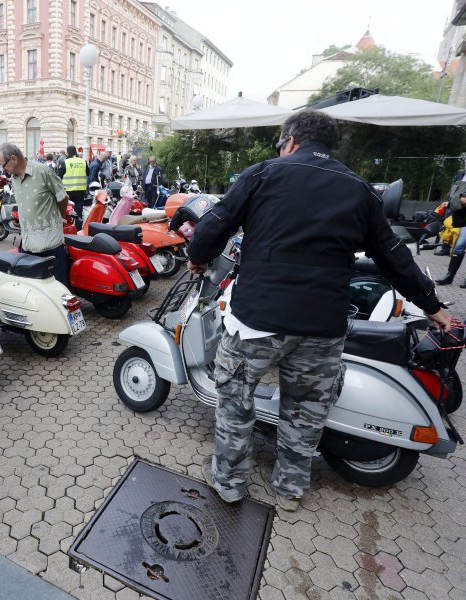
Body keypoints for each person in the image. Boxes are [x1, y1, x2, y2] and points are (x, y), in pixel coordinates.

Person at [184, 110, 450, 512]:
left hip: (257, 321)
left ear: (290, 140)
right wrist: (433, 306)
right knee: (305, 411)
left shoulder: (262, 174)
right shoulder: (360, 189)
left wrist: (197, 259)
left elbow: (212, 226)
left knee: (236, 401)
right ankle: (289, 490)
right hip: (322, 327)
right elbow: (393, 255)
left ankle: (229, 482)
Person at [0, 142, 70, 285]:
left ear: (13, 159)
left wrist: (61, 216)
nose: (2, 169)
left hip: (51, 245)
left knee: (58, 290)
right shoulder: (14, 179)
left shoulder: (43, 171)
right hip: (28, 246)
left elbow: (62, 197)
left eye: (3, 164)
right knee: (33, 289)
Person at [435, 168, 466, 286]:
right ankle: (449, 276)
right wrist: (449, 200)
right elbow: (454, 192)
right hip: (462, 215)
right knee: (459, 247)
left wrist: (462, 200)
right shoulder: (461, 174)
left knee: (460, 245)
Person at [62, 145, 89, 230]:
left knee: (67, 212)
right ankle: (78, 230)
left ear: (67, 152)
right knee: (78, 212)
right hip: (80, 191)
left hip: (68, 191)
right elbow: (88, 173)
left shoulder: (65, 162)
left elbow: (58, 176)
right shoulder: (83, 161)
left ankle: (68, 230)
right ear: (76, 152)